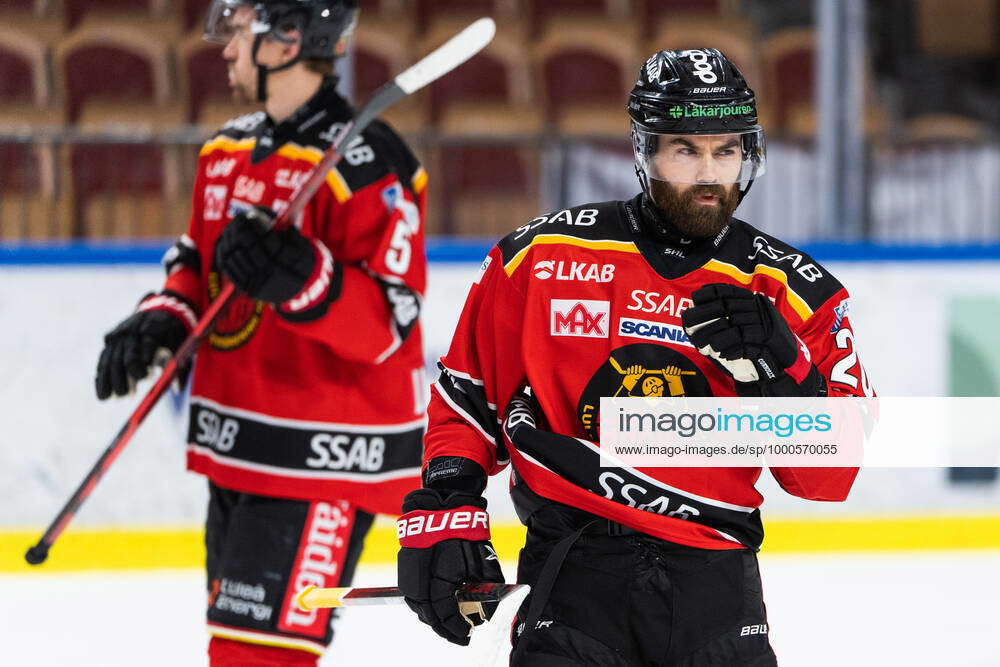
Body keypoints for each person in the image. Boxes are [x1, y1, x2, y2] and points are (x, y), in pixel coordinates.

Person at [397, 49, 873, 665]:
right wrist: (446, 506)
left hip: (716, 594)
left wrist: (789, 372)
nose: (709, 174)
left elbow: (826, 480)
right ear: (643, 151)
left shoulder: (793, 291)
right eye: (686, 150)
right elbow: (465, 403)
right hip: (572, 581)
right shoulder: (539, 258)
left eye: (726, 151)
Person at [94, 1, 428, 664]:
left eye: (238, 35)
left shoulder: (369, 165)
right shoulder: (226, 151)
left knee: (258, 657)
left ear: (287, 42)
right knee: (236, 649)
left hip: (322, 455)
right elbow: (196, 261)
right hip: (239, 441)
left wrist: (308, 278)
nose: (224, 50)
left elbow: (390, 323)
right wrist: (163, 315)